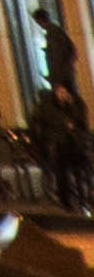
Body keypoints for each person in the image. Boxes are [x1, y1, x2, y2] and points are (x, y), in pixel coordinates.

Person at [31, 43, 94, 218]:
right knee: (62, 170)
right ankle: (67, 200)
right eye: (58, 90)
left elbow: (82, 123)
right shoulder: (48, 105)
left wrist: (75, 127)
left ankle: (83, 197)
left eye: (63, 90)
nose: (61, 93)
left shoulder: (76, 104)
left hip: (76, 143)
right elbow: (40, 123)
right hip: (58, 145)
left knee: (80, 169)